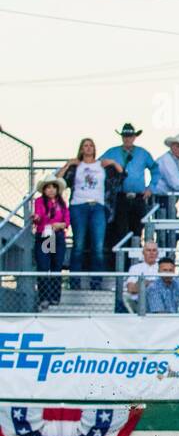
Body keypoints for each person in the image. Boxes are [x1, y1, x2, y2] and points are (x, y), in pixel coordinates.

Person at [59, 138, 108, 290]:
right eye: (85, 146)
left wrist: (113, 164)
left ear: (94, 148)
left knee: (98, 246)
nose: (88, 148)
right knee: (78, 245)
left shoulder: (101, 165)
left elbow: (121, 174)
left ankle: (96, 283)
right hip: (78, 206)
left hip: (98, 206)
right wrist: (68, 164)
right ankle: (74, 282)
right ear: (81, 149)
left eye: (91, 145)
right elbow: (58, 180)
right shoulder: (76, 166)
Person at [100, 123, 157, 250]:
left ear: (134, 137)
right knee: (120, 231)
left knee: (137, 231)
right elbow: (97, 163)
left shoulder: (143, 153)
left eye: (130, 136)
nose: (127, 138)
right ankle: (121, 263)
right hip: (119, 197)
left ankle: (133, 263)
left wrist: (150, 188)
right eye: (125, 136)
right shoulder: (112, 152)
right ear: (122, 137)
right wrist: (111, 163)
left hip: (138, 198)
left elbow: (155, 170)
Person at [31, 177, 70, 310]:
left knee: (56, 267)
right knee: (43, 266)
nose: (51, 190)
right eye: (48, 187)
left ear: (57, 189)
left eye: (54, 187)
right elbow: (39, 216)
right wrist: (36, 218)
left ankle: (54, 297)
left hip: (57, 236)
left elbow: (67, 220)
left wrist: (61, 224)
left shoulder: (62, 203)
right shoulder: (39, 201)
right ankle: (44, 297)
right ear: (44, 189)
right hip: (45, 236)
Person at [153, 133, 179, 249]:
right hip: (161, 200)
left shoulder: (172, 160)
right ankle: (166, 251)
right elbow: (174, 182)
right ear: (172, 146)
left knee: (169, 229)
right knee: (166, 230)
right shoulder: (167, 160)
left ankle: (168, 250)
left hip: (166, 200)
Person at [123, 240, 160, 313]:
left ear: (157, 253)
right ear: (143, 253)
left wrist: (143, 283)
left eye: (154, 250)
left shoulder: (162, 268)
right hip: (138, 302)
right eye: (148, 250)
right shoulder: (135, 268)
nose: (151, 253)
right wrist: (149, 283)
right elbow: (131, 288)